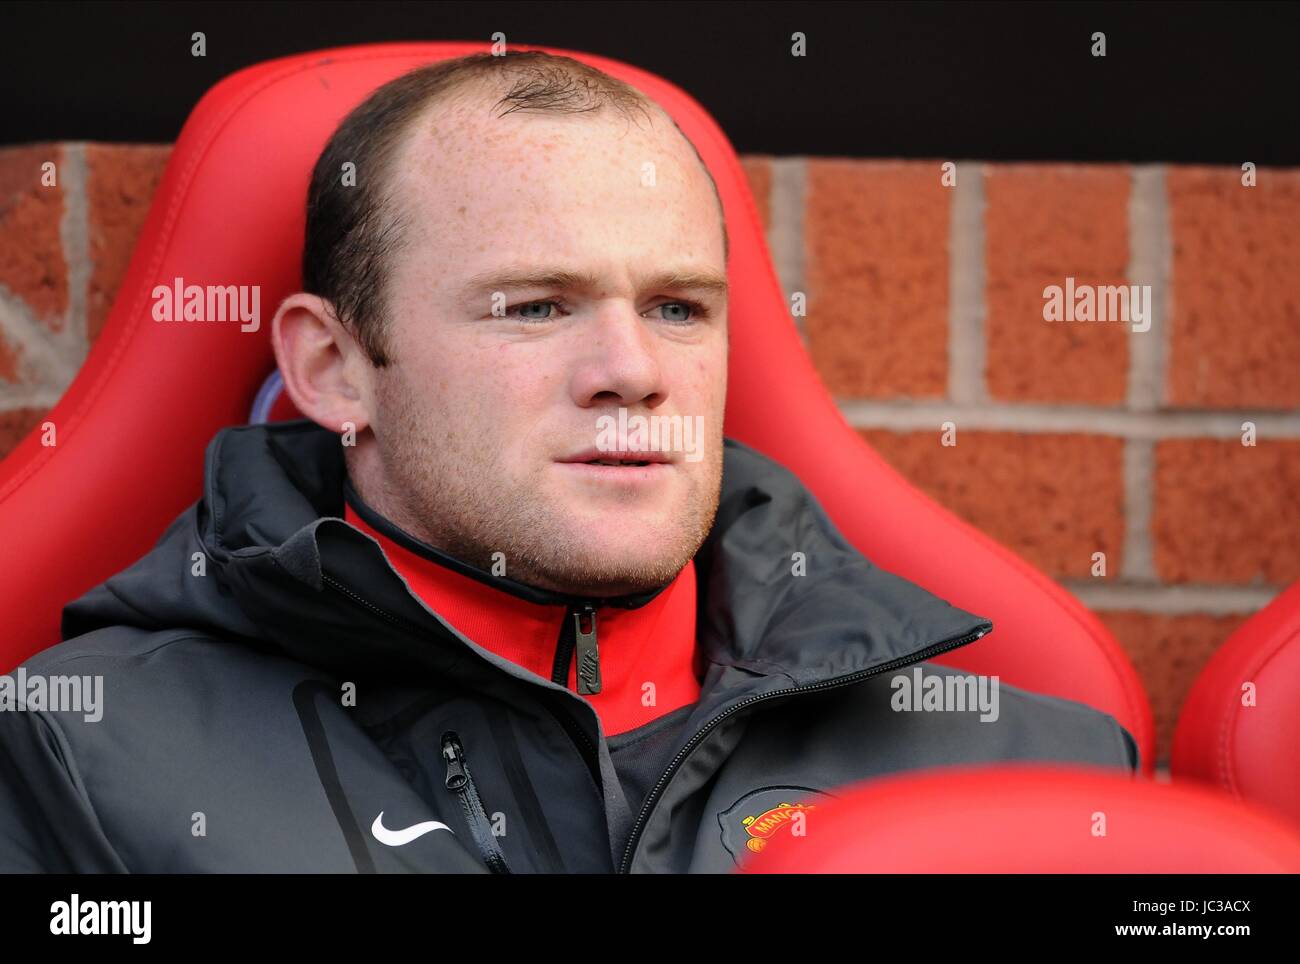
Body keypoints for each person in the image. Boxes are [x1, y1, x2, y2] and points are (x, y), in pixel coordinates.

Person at [0, 50, 1138, 873]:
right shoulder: (82, 756)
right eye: (535, 305)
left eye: (679, 308)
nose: (632, 370)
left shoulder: (1033, 765)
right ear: (337, 369)